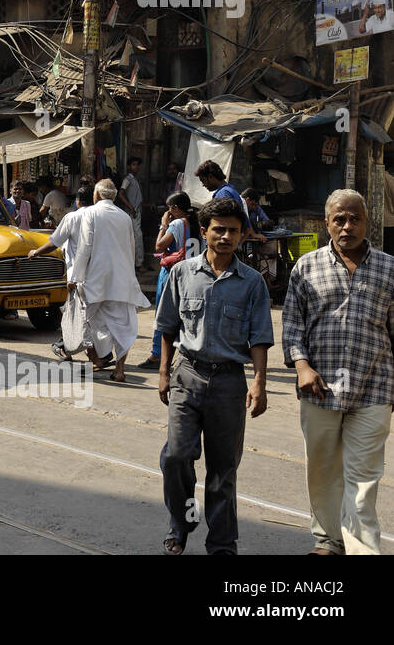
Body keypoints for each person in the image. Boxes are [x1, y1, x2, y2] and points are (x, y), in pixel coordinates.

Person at [155, 197, 272, 555]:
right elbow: (167, 327)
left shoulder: (252, 283)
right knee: (176, 456)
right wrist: (163, 372)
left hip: (228, 383)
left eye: (233, 231)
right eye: (218, 229)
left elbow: (261, 338)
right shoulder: (183, 273)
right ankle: (182, 521)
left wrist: (260, 383)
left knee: (223, 469)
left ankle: (221, 542)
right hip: (187, 375)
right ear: (204, 232)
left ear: (241, 236)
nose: (225, 236)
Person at [282, 190, 394, 555]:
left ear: (367, 221)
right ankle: (328, 541)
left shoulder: (390, 269)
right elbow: (292, 326)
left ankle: (362, 550)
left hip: (375, 386)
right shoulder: (306, 266)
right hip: (319, 387)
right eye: (339, 219)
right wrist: (301, 366)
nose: (347, 226)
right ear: (327, 223)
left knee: (364, 477)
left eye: (355, 218)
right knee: (322, 470)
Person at [64, 179, 151, 380]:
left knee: (84, 320)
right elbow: (131, 247)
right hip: (121, 280)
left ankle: (95, 359)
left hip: (95, 280)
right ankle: (119, 370)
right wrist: (132, 275)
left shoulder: (91, 213)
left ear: (96, 196)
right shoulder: (125, 217)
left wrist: (75, 277)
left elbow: (85, 248)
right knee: (123, 326)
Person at [28, 184, 94, 361]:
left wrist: (36, 252)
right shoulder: (100, 217)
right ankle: (91, 352)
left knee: (75, 314)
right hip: (97, 274)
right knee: (89, 314)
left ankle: (66, 347)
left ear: (77, 202)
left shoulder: (72, 217)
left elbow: (54, 243)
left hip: (77, 276)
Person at [138, 192, 198, 370]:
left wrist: (163, 225)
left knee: (163, 313)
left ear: (175, 209)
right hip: (190, 273)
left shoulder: (177, 223)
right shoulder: (195, 223)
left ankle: (157, 355)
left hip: (172, 272)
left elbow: (159, 246)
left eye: (169, 207)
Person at [120, 156, 146, 270]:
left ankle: (136, 263)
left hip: (136, 211)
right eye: (133, 164)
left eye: (137, 164)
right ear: (129, 166)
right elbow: (120, 194)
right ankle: (138, 264)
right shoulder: (128, 180)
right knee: (137, 236)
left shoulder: (135, 180)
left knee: (136, 236)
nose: (136, 167)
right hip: (132, 212)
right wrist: (131, 207)